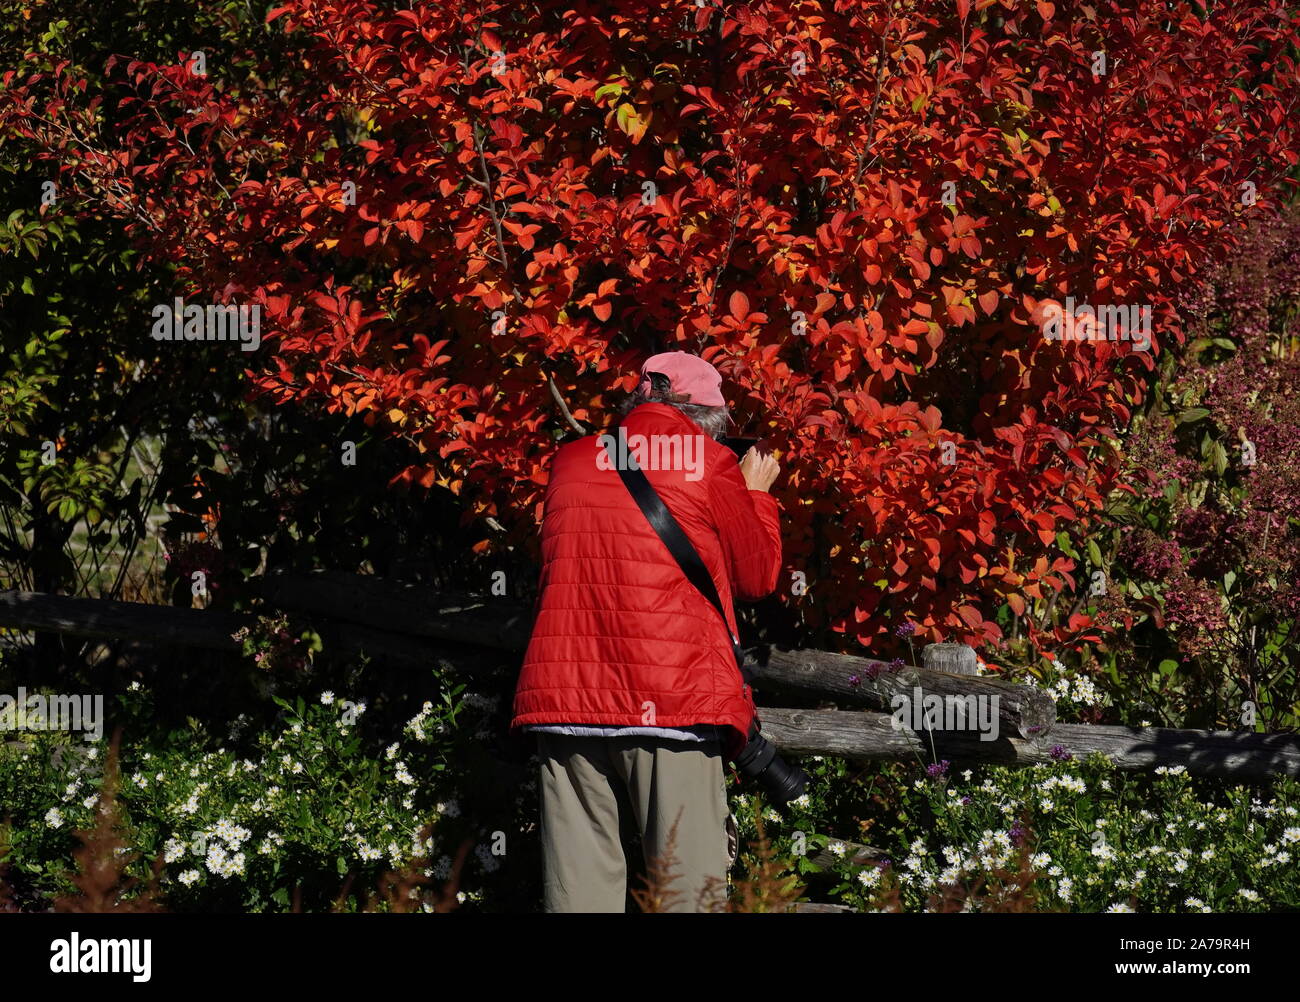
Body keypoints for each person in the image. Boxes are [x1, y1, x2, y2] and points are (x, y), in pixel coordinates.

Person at [510, 350, 783, 913]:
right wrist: (755, 493)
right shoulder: (708, 463)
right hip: (673, 702)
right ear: (703, 417)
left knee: (579, 894)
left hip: (567, 704)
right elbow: (758, 577)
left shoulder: (571, 459)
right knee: (686, 891)